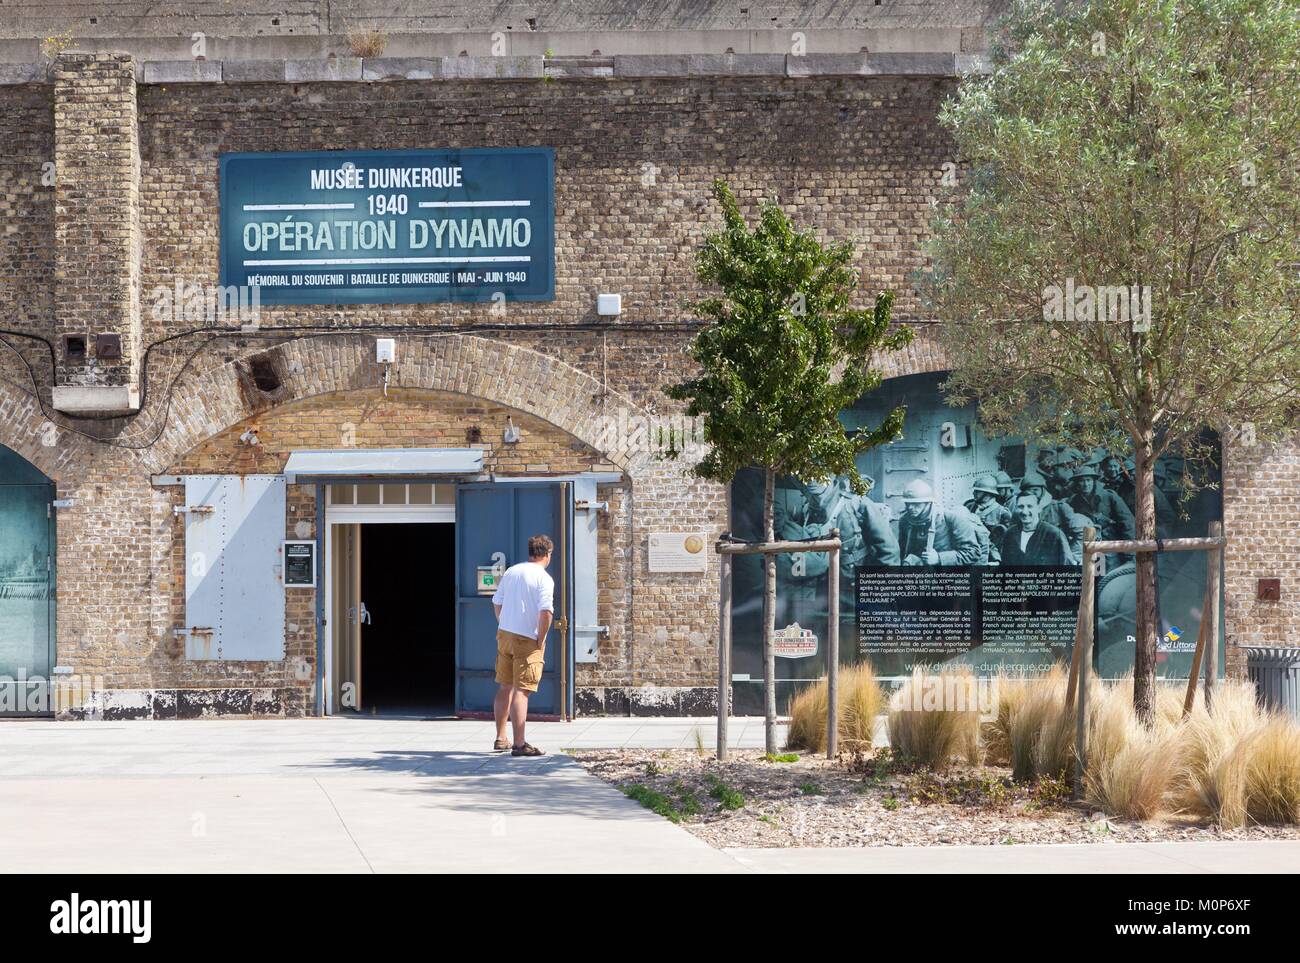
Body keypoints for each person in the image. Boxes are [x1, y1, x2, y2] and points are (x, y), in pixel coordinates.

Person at [491, 534, 555, 757]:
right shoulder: (544, 578)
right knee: (522, 691)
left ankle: (501, 738)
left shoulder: (512, 571)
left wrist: (505, 624)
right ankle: (519, 744)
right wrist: (541, 637)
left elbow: (496, 603)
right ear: (547, 554)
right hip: (527, 638)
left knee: (504, 686)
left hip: (505, 635)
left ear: (530, 552)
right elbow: (546, 612)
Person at [897, 478, 981, 566]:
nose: (910, 507)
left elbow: (973, 552)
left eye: (916, 503)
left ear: (928, 503)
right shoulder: (905, 521)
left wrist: (939, 558)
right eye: (907, 503)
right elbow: (902, 551)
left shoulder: (951, 518)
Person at [1019, 470, 1086, 562]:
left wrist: (1072, 554)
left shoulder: (1059, 507)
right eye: (1028, 491)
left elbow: (1081, 530)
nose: (1033, 493)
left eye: (1035, 490)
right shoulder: (1020, 512)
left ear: (1043, 490)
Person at [1001, 491, 1073, 565]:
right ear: (1016, 508)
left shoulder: (1054, 535)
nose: (1025, 512)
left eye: (1030, 506)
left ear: (1039, 508)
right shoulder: (1010, 534)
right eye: (1021, 507)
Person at [965, 472, 1012, 564]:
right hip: (971, 555)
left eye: (978, 491)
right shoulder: (969, 506)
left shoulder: (1002, 513)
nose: (973, 493)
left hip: (992, 559)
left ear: (988, 493)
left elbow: (1006, 543)